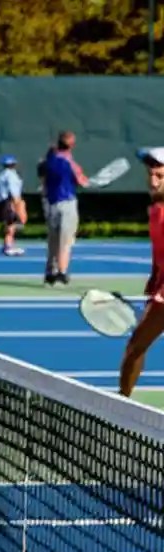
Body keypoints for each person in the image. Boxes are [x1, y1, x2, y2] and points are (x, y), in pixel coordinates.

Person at [119, 147, 164, 398]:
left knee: (136, 346)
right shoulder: (156, 210)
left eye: (160, 175)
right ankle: (123, 403)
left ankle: (122, 401)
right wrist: (155, 277)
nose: (152, 181)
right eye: (150, 174)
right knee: (136, 347)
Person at [39, 131, 89, 286]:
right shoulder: (71, 164)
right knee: (65, 241)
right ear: (71, 145)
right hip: (66, 204)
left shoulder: (47, 162)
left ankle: (50, 272)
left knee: (53, 240)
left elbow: (43, 179)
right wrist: (86, 181)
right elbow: (82, 181)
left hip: (50, 204)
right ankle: (62, 272)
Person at [0, 155, 27, 256]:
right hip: (9, 201)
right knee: (12, 223)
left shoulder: (2, 175)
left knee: (11, 223)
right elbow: (13, 191)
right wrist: (17, 204)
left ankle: (8, 245)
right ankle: (8, 246)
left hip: (4, 201)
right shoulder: (10, 175)